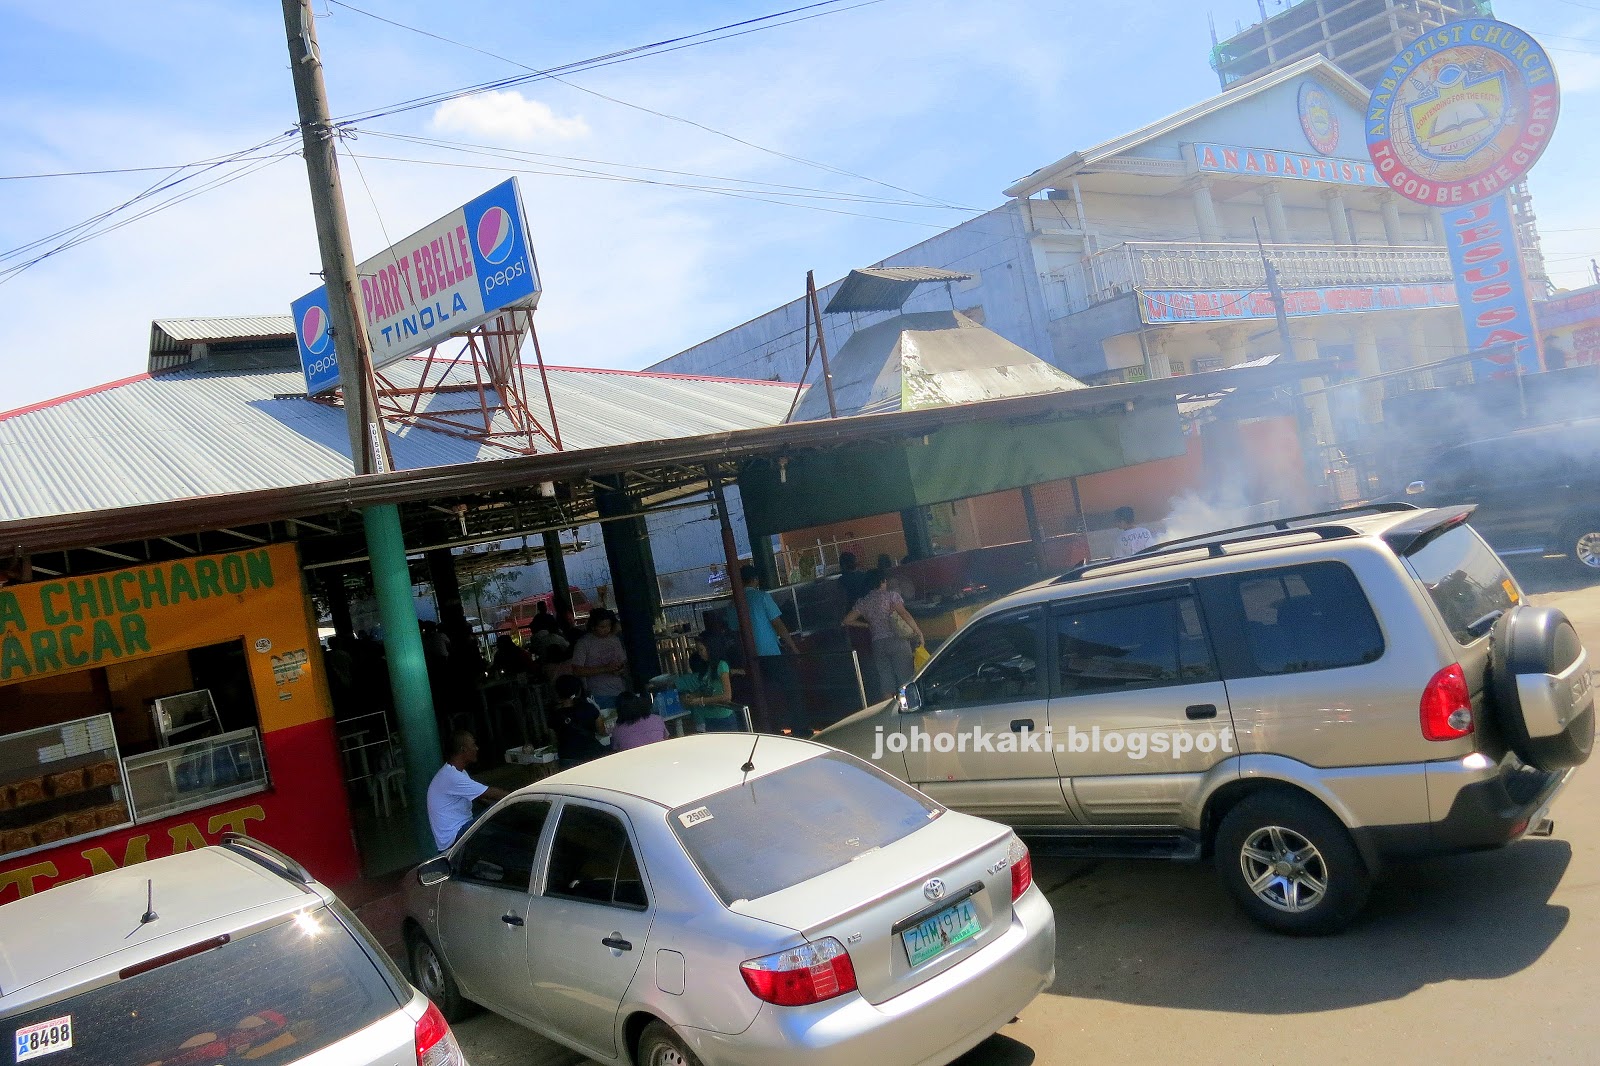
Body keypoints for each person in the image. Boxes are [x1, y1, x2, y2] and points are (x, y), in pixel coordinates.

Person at [844, 569, 924, 700]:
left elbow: (847, 620)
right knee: (906, 678)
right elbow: (904, 614)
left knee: (886, 681)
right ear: (882, 581)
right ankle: (908, 704)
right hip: (897, 640)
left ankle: (889, 711)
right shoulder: (891, 596)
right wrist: (918, 632)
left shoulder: (864, 602)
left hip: (878, 644)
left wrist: (866, 625)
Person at [426, 731, 510, 851]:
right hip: (455, 839)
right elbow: (490, 793)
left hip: (462, 830)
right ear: (463, 750)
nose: (477, 748)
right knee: (500, 830)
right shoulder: (451, 777)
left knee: (499, 821)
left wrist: (501, 808)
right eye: (473, 745)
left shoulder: (458, 772)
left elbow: (481, 797)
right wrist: (518, 796)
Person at [679, 633, 741, 732]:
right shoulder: (707, 667)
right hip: (709, 717)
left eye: (701, 650)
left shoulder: (721, 665)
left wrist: (701, 700)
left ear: (710, 648)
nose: (699, 653)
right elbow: (708, 691)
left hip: (723, 718)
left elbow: (727, 696)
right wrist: (694, 696)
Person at [570, 608, 628, 710]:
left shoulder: (614, 640)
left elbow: (623, 661)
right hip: (599, 693)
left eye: (608, 626)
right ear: (593, 627)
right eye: (602, 627)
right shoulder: (583, 643)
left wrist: (621, 669)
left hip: (619, 690)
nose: (606, 629)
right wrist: (605, 669)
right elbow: (576, 670)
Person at [552, 674, 608, 765]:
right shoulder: (590, 708)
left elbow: (554, 740)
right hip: (591, 755)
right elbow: (602, 731)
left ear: (558, 693)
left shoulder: (555, 715)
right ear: (579, 690)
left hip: (568, 758)